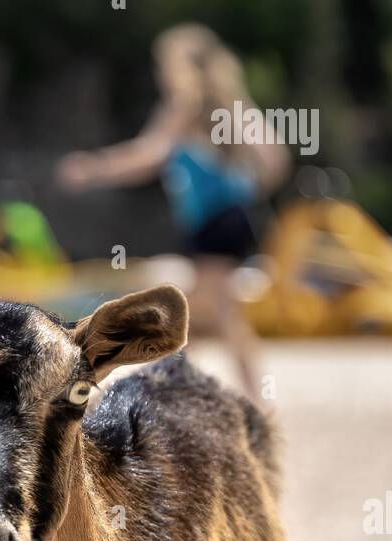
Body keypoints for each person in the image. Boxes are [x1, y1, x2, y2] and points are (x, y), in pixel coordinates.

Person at [57, 24, 289, 403]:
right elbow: (274, 158)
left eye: (164, 65)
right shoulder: (229, 102)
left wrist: (93, 168)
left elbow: (148, 155)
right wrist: (240, 189)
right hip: (230, 219)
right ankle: (164, 389)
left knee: (222, 313)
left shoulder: (186, 105)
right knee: (196, 310)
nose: (160, 73)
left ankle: (252, 403)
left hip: (215, 223)